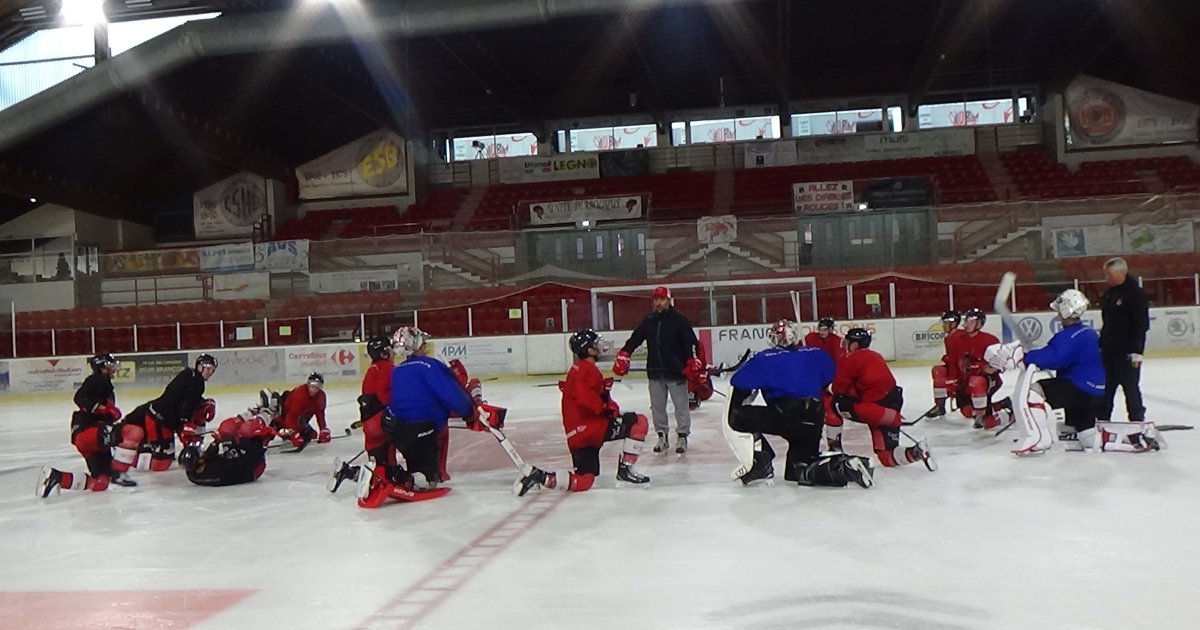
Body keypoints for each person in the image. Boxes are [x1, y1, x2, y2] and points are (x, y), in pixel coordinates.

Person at [725, 320, 873, 488]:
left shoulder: (766, 357)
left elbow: (738, 381)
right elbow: (834, 380)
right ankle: (844, 468)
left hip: (785, 415)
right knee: (800, 470)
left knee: (738, 417)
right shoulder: (818, 353)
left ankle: (761, 460)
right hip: (814, 418)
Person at [515, 329, 650, 496]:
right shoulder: (587, 369)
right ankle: (626, 470)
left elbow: (584, 395)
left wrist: (604, 395)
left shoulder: (577, 369)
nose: (599, 346)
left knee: (584, 480)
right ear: (589, 350)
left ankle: (541, 477)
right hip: (590, 429)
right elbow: (587, 399)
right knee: (639, 422)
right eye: (595, 344)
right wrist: (607, 407)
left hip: (577, 435)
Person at [355, 326, 475, 508]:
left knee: (415, 461)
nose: (426, 348)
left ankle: (387, 471)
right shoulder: (429, 365)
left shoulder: (398, 370)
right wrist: (469, 412)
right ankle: (411, 477)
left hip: (398, 431)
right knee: (427, 480)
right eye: (424, 344)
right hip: (423, 431)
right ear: (417, 346)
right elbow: (452, 396)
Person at [986, 290, 1109, 454]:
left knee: (1033, 393)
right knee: (1085, 433)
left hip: (1080, 388)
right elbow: (1056, 357)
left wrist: (1024, 356)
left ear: (1066, 310)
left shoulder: (1071, 335)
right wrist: (1031, 357)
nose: (1057, 313)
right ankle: (1120, 442)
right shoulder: (1087, 333)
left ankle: (1037, 437)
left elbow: (1053, 357)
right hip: (1094, 390)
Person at [826, 328, 936, 472]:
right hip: (892, 408)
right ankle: (915, 452)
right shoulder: (875, 356)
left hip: (876, 411)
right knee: (886, 457)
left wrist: (829, 388)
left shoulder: (851, 358)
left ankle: (835, 451)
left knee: (833, 403)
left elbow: (840, 388)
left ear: (854, 344)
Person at [612, 286, 701, 454]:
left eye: (662, 299)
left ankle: (682, 436)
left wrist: (691, 360)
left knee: (681, 406)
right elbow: (636, 338)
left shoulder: (680, 320)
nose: (659, 303)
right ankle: (662, 436)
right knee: (657, 407)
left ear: (669, 300)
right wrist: (625, 352)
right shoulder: (649, 320)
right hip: (655, 372)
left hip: (675, 371)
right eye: (656, 300)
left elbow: (690, 342)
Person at [38, 354, 137, 497]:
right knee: (128, 431)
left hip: (88, 437)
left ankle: (57, 477)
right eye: (111, 365)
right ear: (103, 367)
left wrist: (107, 413)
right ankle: (120, 473)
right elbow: (80, 398)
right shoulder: (98, 380)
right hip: (88, 431)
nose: (114, 368)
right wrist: (104, 409)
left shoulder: (104, 383)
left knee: (101, 482)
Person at [111, 354, 217, 475]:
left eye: (212, 370)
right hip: (159, 420)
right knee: (160, 465)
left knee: (166, 459)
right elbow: (179, 399)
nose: (210, 372)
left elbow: (188, 400)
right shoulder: (189, 376)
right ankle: (126, 457)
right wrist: (186, 422)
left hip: (166, 421)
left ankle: (145, 447)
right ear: (199, 366)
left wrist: (202, 404)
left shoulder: (196, 381)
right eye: (208, 368)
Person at [1098, 257, 1150, 425]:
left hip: (1127, 351)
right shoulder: (1109, 294)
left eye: (1109, 275)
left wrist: (1137, 351)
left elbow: (1141, 323)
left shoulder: (1135, 293)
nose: (1107, 278)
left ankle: (1136, 420)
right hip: (1109, 351)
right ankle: (1102, 419)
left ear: (1121, 273)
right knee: (1106, 388)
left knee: (1130, 388)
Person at [947, 309, 1012, 429]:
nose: (967, 324)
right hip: (966, 381)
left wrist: (983, 367)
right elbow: (953, 360)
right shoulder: (958, 339)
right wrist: (952, 380)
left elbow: (998, 365)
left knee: (988, 423)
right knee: (967, 412)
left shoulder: (990, 340)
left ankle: (1009, 415)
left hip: (985, 382)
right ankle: (1002, 404)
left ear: (980, 324)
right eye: (967, 321)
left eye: (971, 321)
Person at [183, 408, 277, 487]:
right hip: (253, 468)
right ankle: (269, 414)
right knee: (244, 432)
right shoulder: (219, 469)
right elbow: (248, 462)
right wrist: (263, 443)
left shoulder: (192, 472)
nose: (202, 453)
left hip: (235, 461)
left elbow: (208, 457)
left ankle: (254, 413)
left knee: (225, 430)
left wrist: (216, 442)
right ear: (200, 461)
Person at [273, 372, 330, 451]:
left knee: (312, 435)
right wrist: (293, 434)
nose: (314, 390)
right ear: (308, 384)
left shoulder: (321, 397)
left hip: (300, 422)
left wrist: (323, 429)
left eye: (317, 387)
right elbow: (290, 418)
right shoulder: (300, 395)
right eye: (312, 386)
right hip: (283, 420)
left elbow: (320, 415)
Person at [929, 310, 963, 418]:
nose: (943, 325)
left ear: (953, 323)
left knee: (968, 411)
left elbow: (959, 360)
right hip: (955, 370)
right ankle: (940, 406)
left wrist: (953, 380)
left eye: (945, 323)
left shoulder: (959, 336)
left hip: (962, 374)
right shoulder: (949, 337)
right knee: (938, 370)